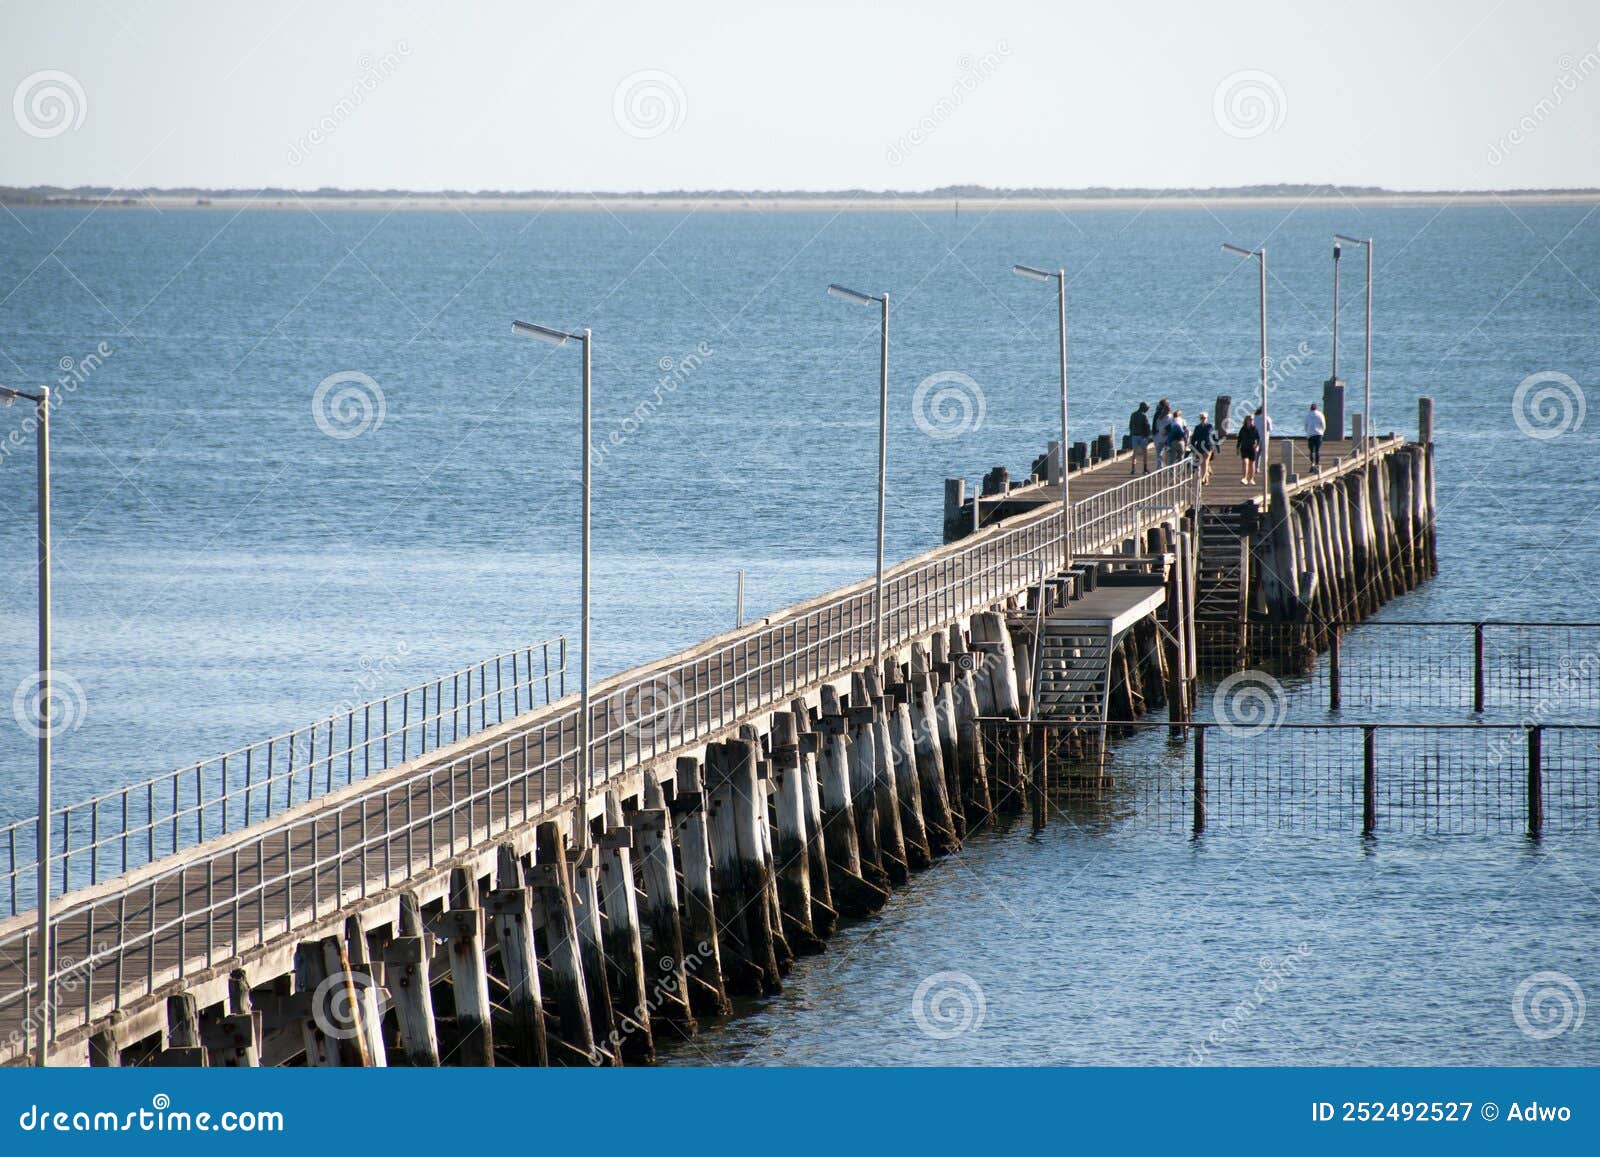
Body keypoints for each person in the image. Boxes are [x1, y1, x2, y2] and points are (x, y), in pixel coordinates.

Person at [1191, 410, 1217, 484]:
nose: (1203, 419)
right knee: (1202, 463)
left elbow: (1214, 437)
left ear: (1207, 418)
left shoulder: (1210, 426)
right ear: (1200, 418)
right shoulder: (1197, 428)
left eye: (1205, 418)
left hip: (1208, 447)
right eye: (1202, 418)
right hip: (1199, 447)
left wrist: (1216, 447)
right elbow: (1194, 438)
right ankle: (1206, 480)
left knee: (1205, 461)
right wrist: (1192, 447)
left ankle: (1203, 478)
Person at [1237, 412, 1261, 484]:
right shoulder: (1243, 429)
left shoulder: (1254, 429)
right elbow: (1239, 439)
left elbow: (1258, 438)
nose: (1251, 421)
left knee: (1252, 463)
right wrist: (1237, 448)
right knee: (1245, 462)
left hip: (1252, 447)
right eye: (1250, 419)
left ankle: (1251, 478)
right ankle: (1244, 478)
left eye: (1252, 419)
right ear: (1246, 420)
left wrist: (1257, 446)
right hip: (1244, 447)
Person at [1128, 401, 1152, 474]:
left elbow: (1130, 425)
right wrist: (1149, 435)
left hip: (1134, 435)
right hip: (1142, 436)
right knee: (1145, 453)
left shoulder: (1133, 414)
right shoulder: (1144, 416)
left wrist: (1131, 433)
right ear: (1144, 408)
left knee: (1134, 453)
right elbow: (1147, 426)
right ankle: (1144, 469)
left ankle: (1133, 469)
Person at [1304, 401, 1326, 469]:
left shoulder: (1307, 415)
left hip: (1310, 434)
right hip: (1318, 434)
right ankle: (1317, 464)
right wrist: (1322, 432)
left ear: (1310, 408)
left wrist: (1307, 433)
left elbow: (1305, 425)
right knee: (1317, 450)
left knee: (1311, 451)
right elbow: (1323, 424)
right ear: (1316, 408)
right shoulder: (1320, 414)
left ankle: (1312, 464)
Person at [1152, 398, 1172, 466]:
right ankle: (1167, 467)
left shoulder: (1157, 414)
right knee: (1168, 453)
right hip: (1166, 436)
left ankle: (1159, 467)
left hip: (1158, 435)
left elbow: (1155, 425)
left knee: (1159, 453)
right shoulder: (1170, 416)